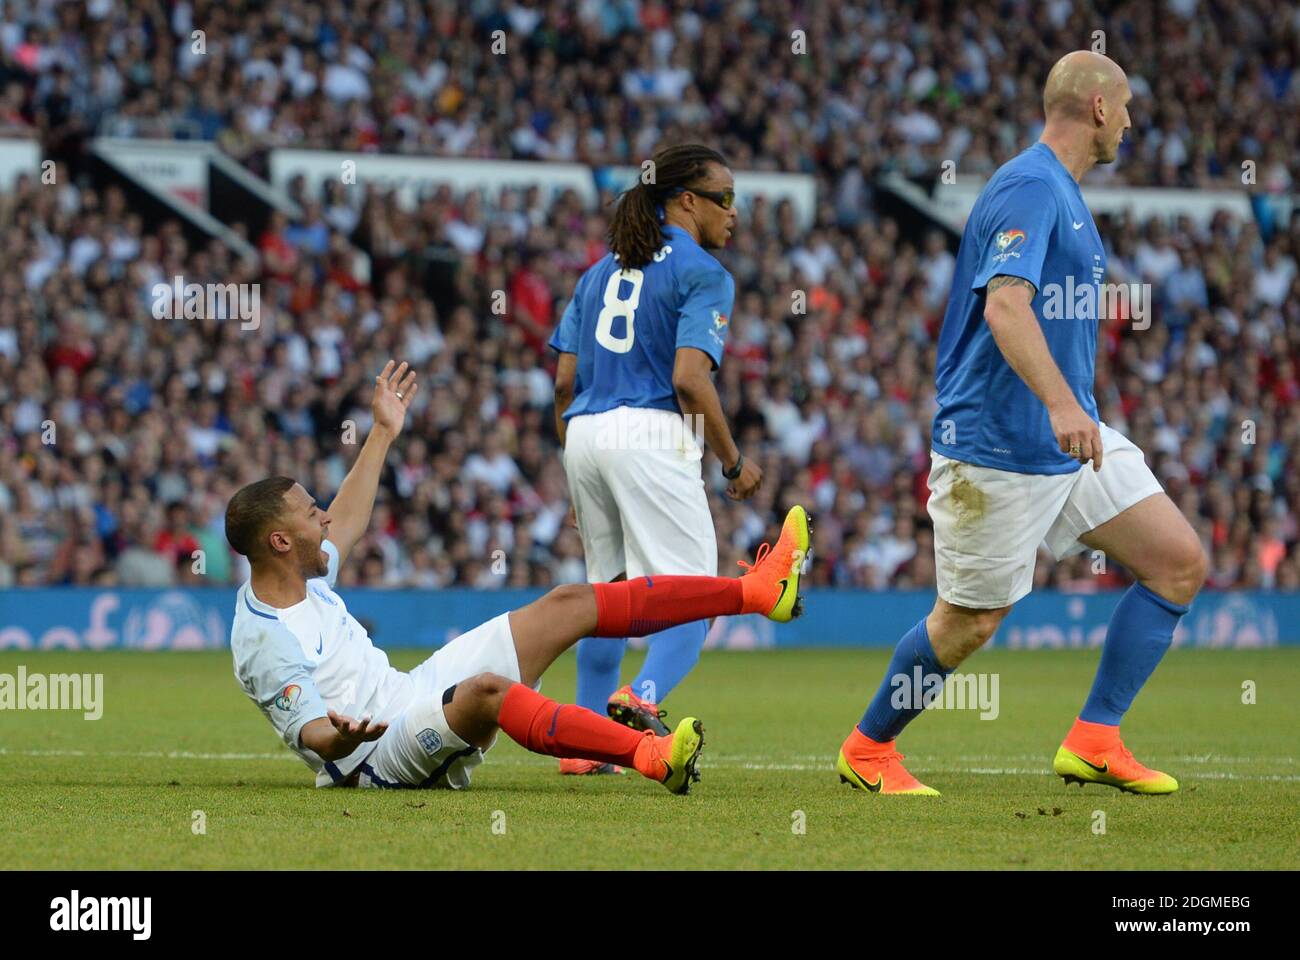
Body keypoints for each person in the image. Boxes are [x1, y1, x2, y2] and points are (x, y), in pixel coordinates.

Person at [836, 51, 1206, 796]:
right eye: (1127, 105)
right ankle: (868, 748)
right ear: (1099, 107)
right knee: (968, 624)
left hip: (1070, 445)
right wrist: (1062, 403)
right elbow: (1006, 305)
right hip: (998, 446)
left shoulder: (1060, 191)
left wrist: (1073, 410)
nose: (1132, 121)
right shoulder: (1032, 187)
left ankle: (1095, 738)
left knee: (1177, 562)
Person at [226, 361, 810, 792]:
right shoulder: (264, 639)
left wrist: (382, 432)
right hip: (372, 758)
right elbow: (312, 735)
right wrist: (346, 737)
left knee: (571, 601)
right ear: (280, 542)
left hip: (409, 693)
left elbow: (348, 517)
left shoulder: (308, 570)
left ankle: (758, 592)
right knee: (486, 691)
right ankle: (651, 754)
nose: (323, 516)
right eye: (310, 513)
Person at [549, 143, 777, 775]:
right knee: (696, 600)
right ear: (687, 201)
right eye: (725, 199)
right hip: (649, 430)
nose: (735, 212)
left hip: (586, 434)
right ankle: (639, 697)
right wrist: (732, 462)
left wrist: (577, 473)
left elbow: (563, 385)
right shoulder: (702, 271)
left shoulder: (595, 274)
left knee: (608, 597)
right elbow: (689, 381)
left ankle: (581, 747)